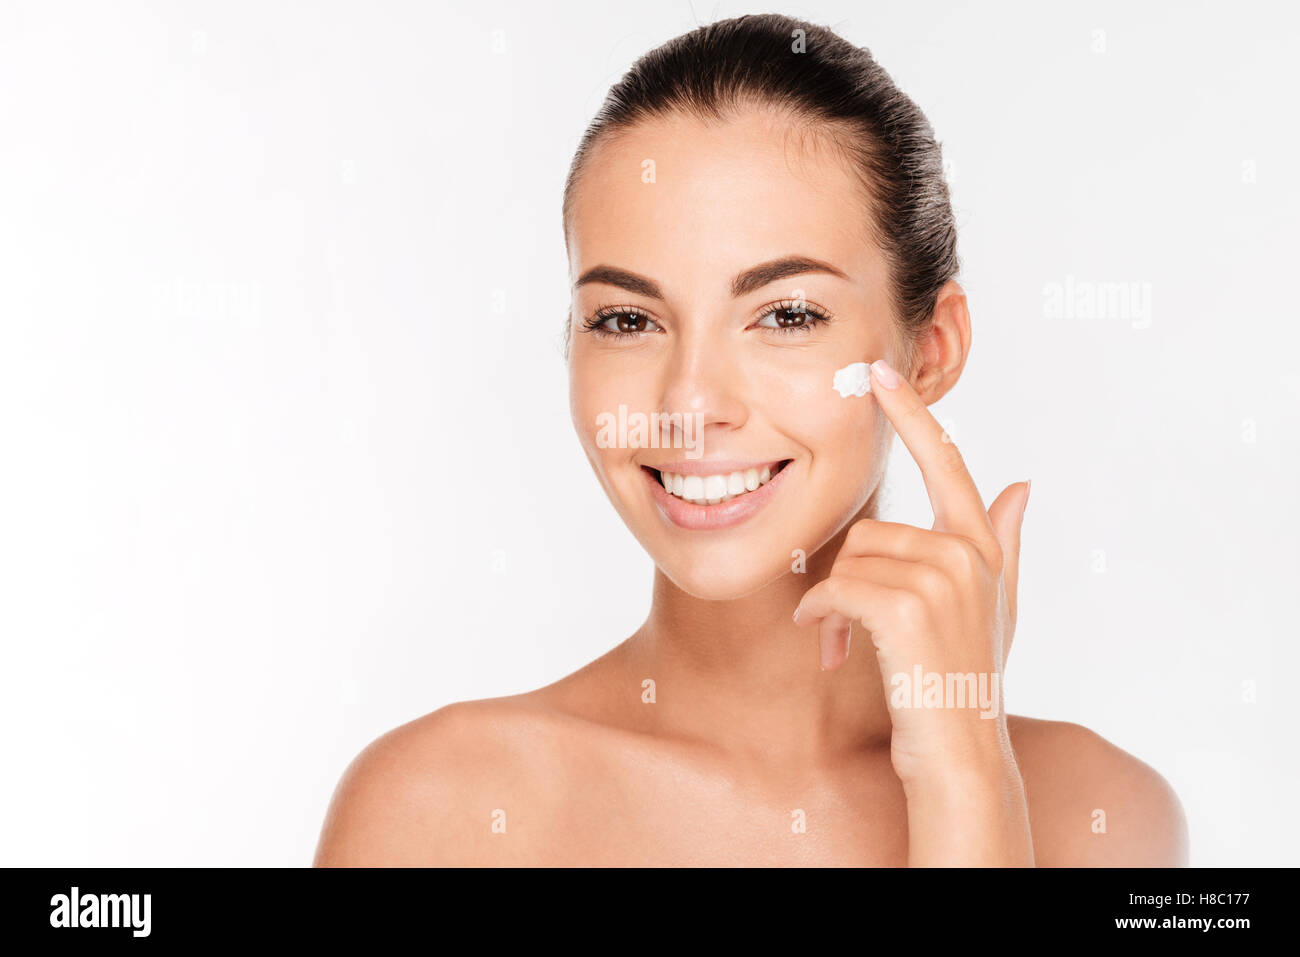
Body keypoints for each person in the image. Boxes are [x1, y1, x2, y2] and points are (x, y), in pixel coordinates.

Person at [314, 13, 1187, 866]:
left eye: (786, 314)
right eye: (626, 318)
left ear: (930, 351)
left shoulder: (1098, 813)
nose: (690, 403)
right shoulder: (439, 810)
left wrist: (965, 773)